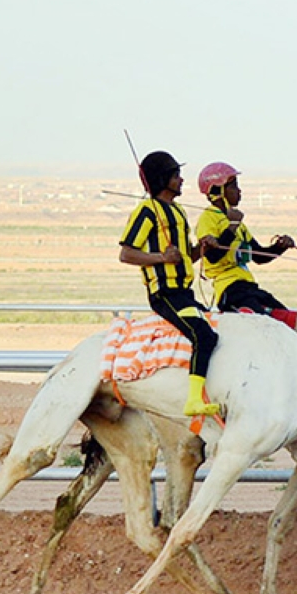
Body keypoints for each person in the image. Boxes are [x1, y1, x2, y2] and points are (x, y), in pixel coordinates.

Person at [117, 150, 220, 417]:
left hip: (184, 291)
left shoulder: (178, 212)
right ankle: (193, 401)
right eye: (176, 174)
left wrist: (203, 249)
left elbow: (185, 258)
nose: (181, 179)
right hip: (165, 294)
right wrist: (161, 258)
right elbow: (126, 253)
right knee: (203, 335)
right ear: (163, 179)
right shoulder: (147, 211)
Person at [195, 161, 297, 327]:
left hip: (248, 287)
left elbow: (258, 256)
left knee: (289, 321)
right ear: (218, 190)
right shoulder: (208, 219)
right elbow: (213, 256)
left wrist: (281, 247)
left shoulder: (239, 224)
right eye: (233, 186)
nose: (239, 191)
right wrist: (232, 227)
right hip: (230, 291)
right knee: (266, 325)